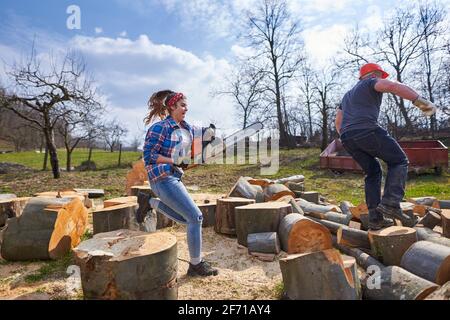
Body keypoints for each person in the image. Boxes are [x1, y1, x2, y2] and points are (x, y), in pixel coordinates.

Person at [335, 63, 437, 230]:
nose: (382, 78)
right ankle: (391, 203)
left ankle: (376, 219)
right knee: (399, 161)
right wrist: (421, 102)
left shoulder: (347, 96)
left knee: (373, 172)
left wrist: (348, 136)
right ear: (375, 74)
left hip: (347, 137)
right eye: (380, 76)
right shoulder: (370, 82)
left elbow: (338, 121)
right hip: (366, 129)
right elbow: (392, 86)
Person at [139, 89, 219, 277]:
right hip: (161, 178)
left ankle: (148, 202)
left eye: (186, 105)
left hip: (174, 177)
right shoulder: (160, 128)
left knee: (186, 219)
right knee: (196, 217)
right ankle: (196, 264)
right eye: (182, 105)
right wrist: (173, 160)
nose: (186, 108)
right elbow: (149, 156)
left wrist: (209, 134)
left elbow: (200, 137)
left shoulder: (186, 127)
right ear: (172, 107)